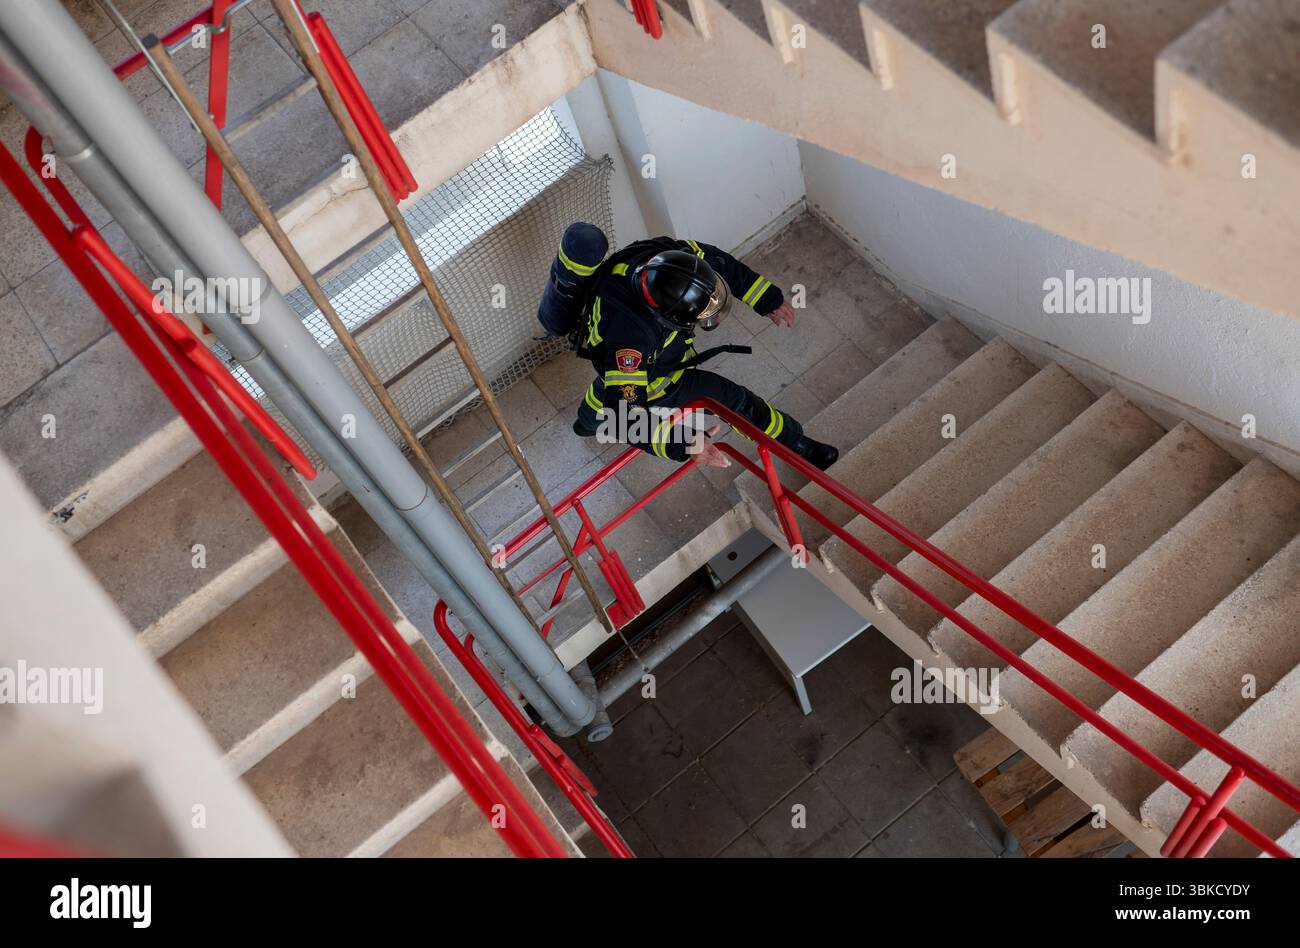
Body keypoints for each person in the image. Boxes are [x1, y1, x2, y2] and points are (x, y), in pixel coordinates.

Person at [538, 223, 839, 469]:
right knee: (736, 400)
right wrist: (685, 443)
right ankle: (797, 445)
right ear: (667, 316)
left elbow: (721, 263)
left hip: (635, 357)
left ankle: (585, 423)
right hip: (657, 376)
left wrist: (766, 299)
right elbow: (621, 418)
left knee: (611, 387)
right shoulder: (629, 343)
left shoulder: (673, 255)